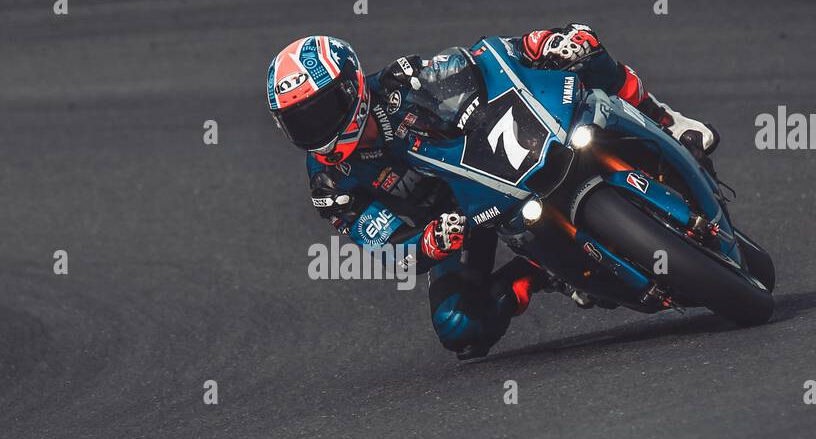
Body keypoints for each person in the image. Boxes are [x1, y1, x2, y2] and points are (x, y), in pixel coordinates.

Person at [266, 26, 718, 359]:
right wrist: (426, 243)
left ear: (353, 87)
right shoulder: (329, 184)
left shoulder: (401, 82)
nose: (318, 128)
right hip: (454, 221)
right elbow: (380, 243)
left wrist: (539, 44)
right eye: (301, 122)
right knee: (460, 327)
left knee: (583, 44)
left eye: (324, 109)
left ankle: (663, 118)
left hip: (493, 163)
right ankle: (543, 276)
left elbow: (484, 61)